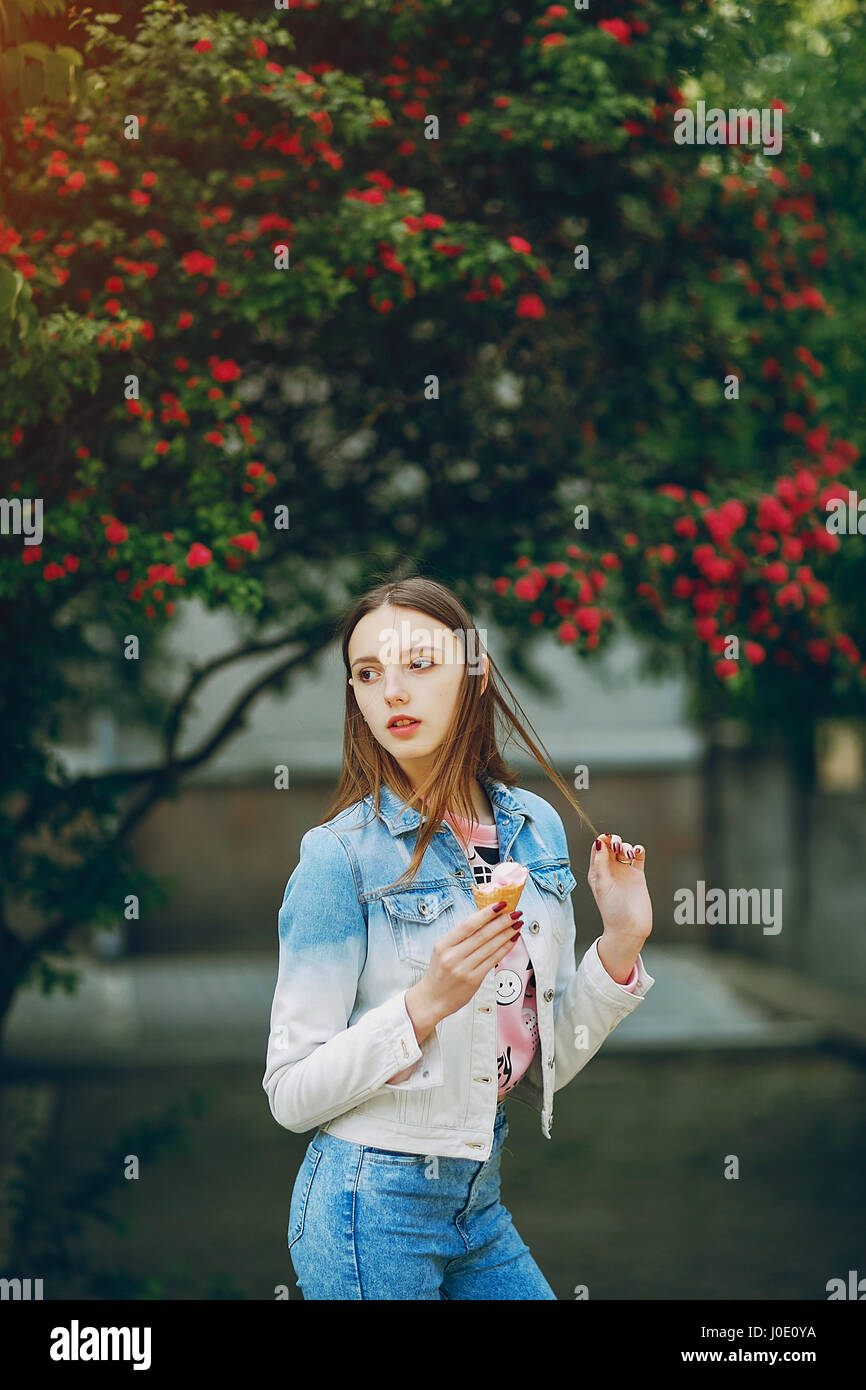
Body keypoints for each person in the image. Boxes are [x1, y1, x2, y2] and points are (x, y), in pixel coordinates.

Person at [262, 574, 655, 1299]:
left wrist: (622, 943)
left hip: (478, 1201)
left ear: (473, 675)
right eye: (368, 674)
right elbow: (290, 1094)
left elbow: (543, 1063)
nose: (392, 692)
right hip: (367, 1209)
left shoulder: (533, 829)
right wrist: (424, 1005)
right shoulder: (340, 857)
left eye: (419, 663)